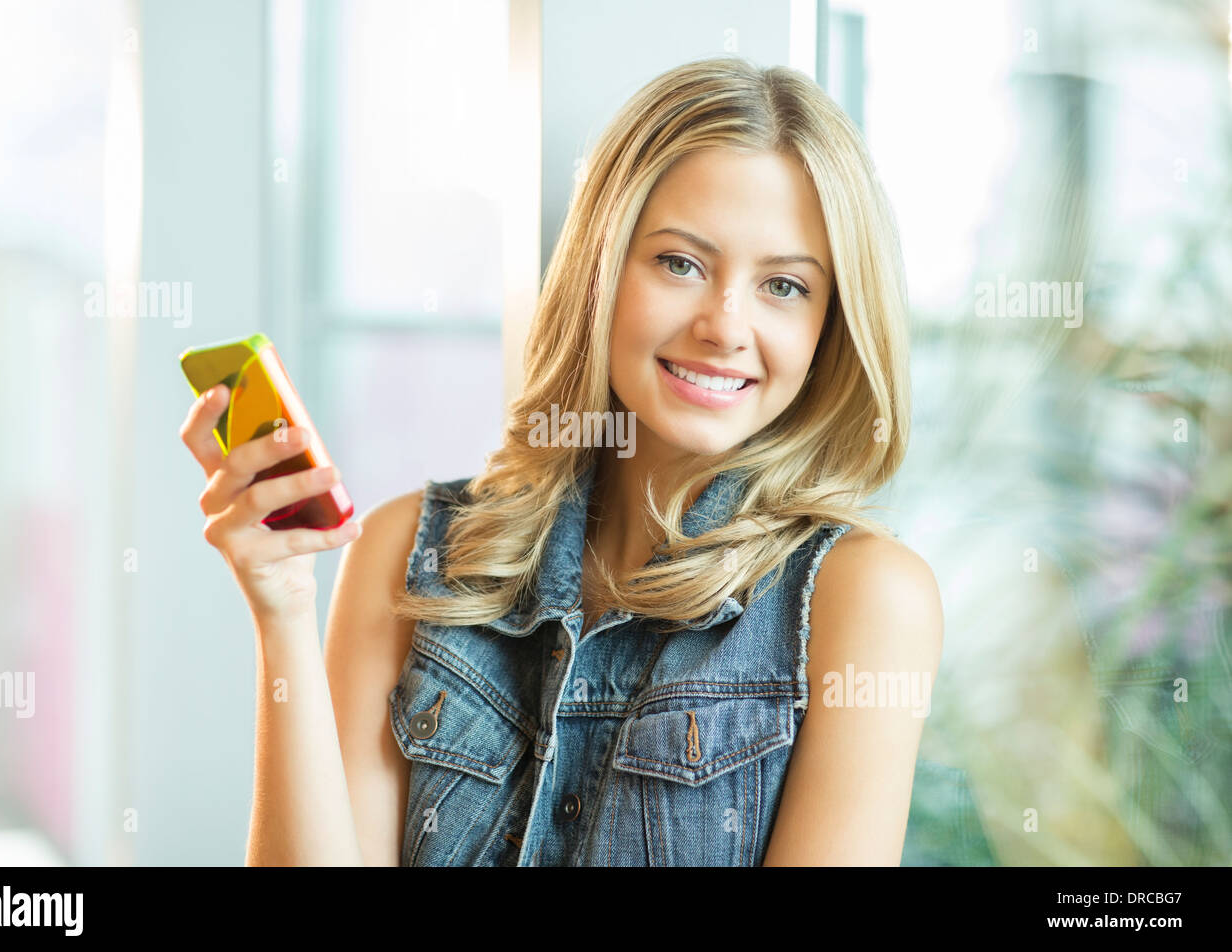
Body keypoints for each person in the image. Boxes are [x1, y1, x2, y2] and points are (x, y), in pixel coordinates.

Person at [179, 55, 943, 866]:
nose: (725, 325)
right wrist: (284, 611)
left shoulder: (861, 600)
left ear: (832, 325)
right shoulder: (406, 554)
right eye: (680, 263)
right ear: (601, 274)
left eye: (784, 286)